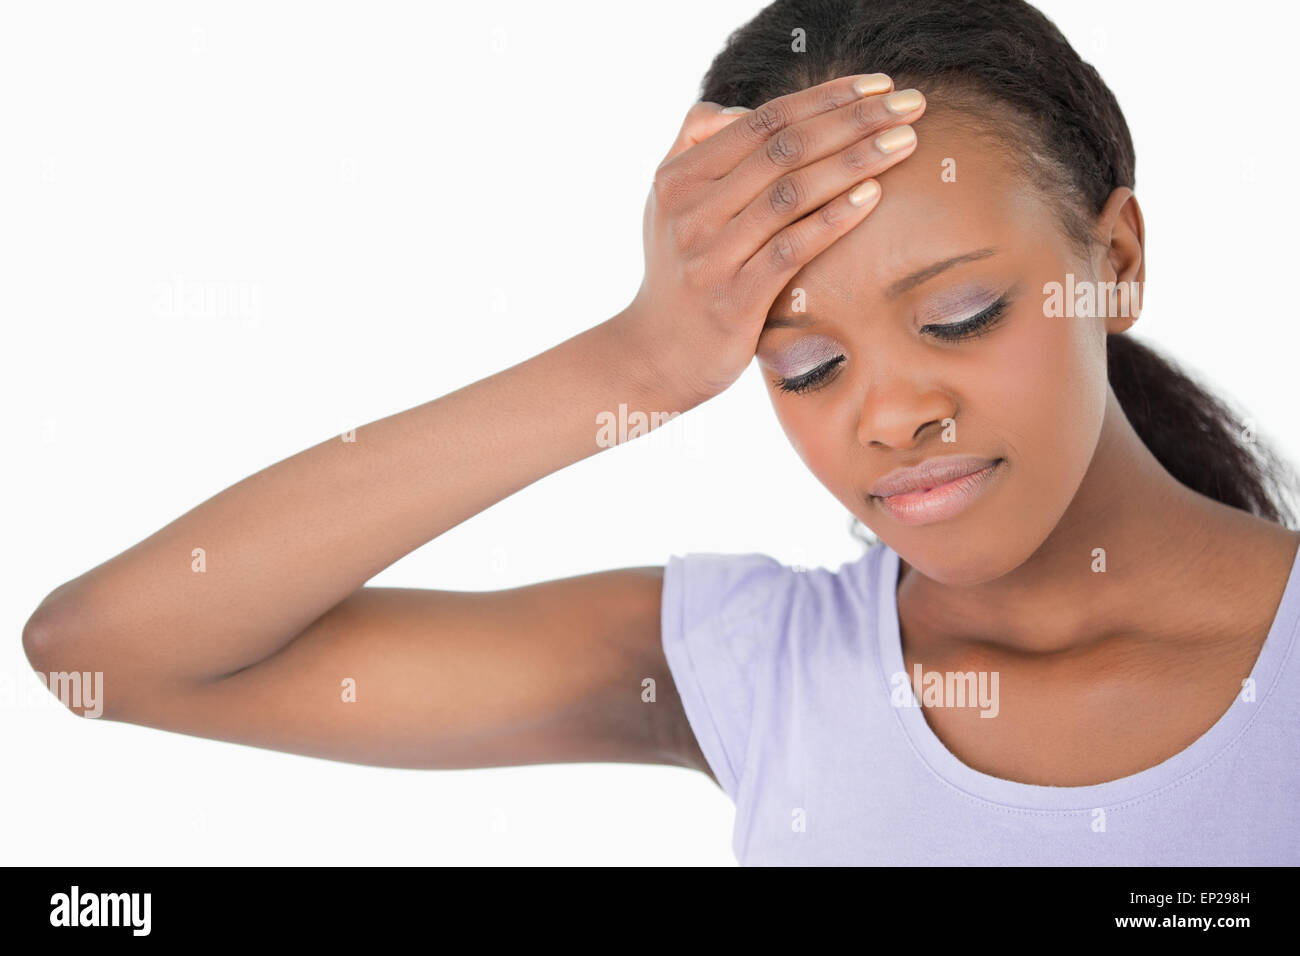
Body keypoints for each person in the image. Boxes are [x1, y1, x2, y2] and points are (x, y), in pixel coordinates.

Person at [22, 0, 1300, 864]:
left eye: (960, 314)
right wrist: (628, 362)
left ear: (1114, 260)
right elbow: (112, 655)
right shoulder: (752, 670)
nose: (894, 411)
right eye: (803, 362)